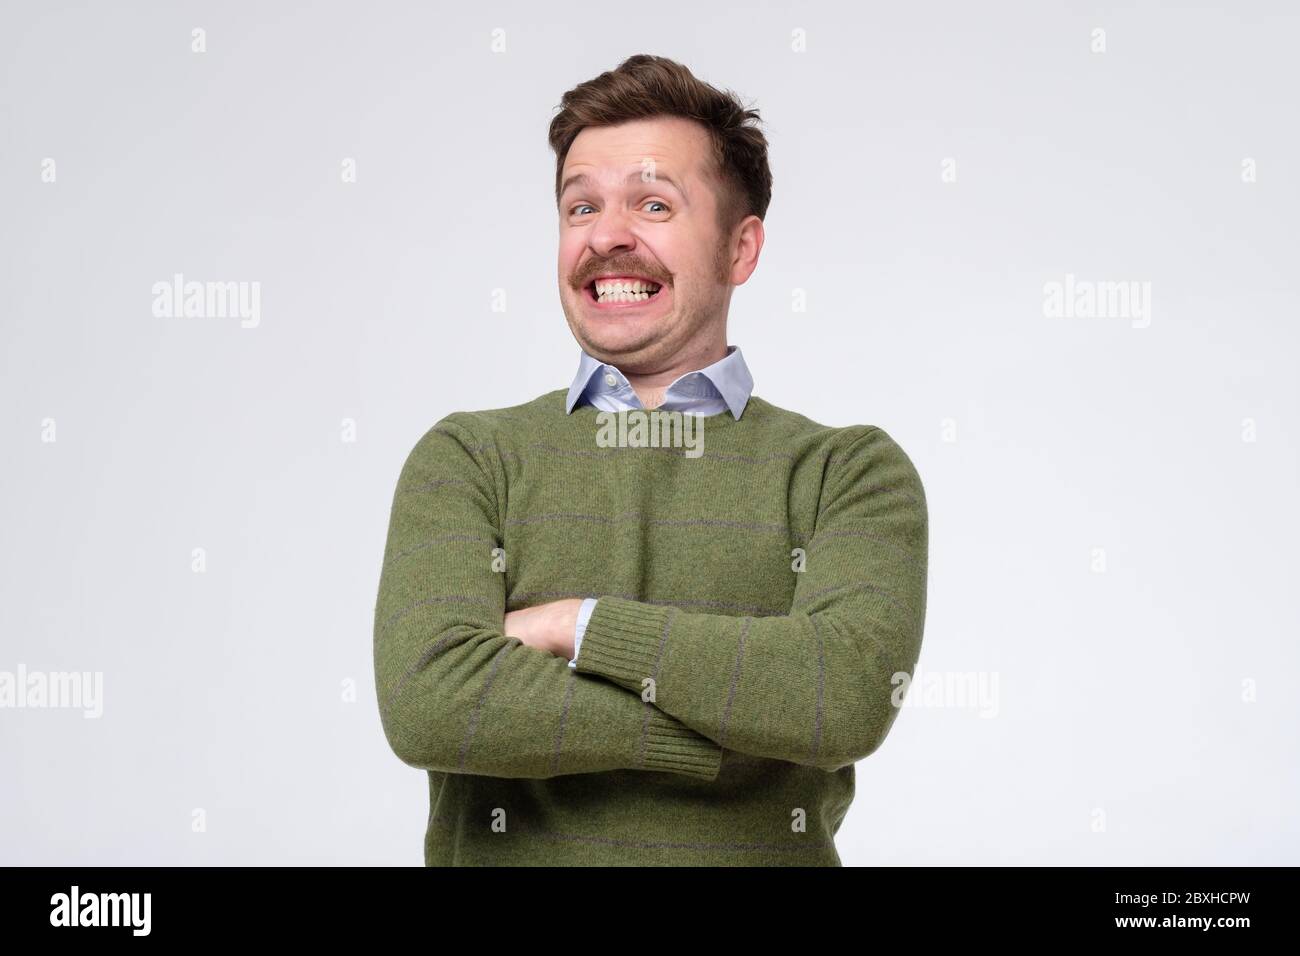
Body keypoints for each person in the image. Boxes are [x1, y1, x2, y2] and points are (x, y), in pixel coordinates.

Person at [373, 53, 928, 866]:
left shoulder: (846, 473)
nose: (606, 236)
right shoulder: (469, 457)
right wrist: (720, 728)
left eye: (654, 204)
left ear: (741, 250)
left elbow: (837, 697)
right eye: (581, 207)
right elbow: (431, 704)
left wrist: (572, 625)